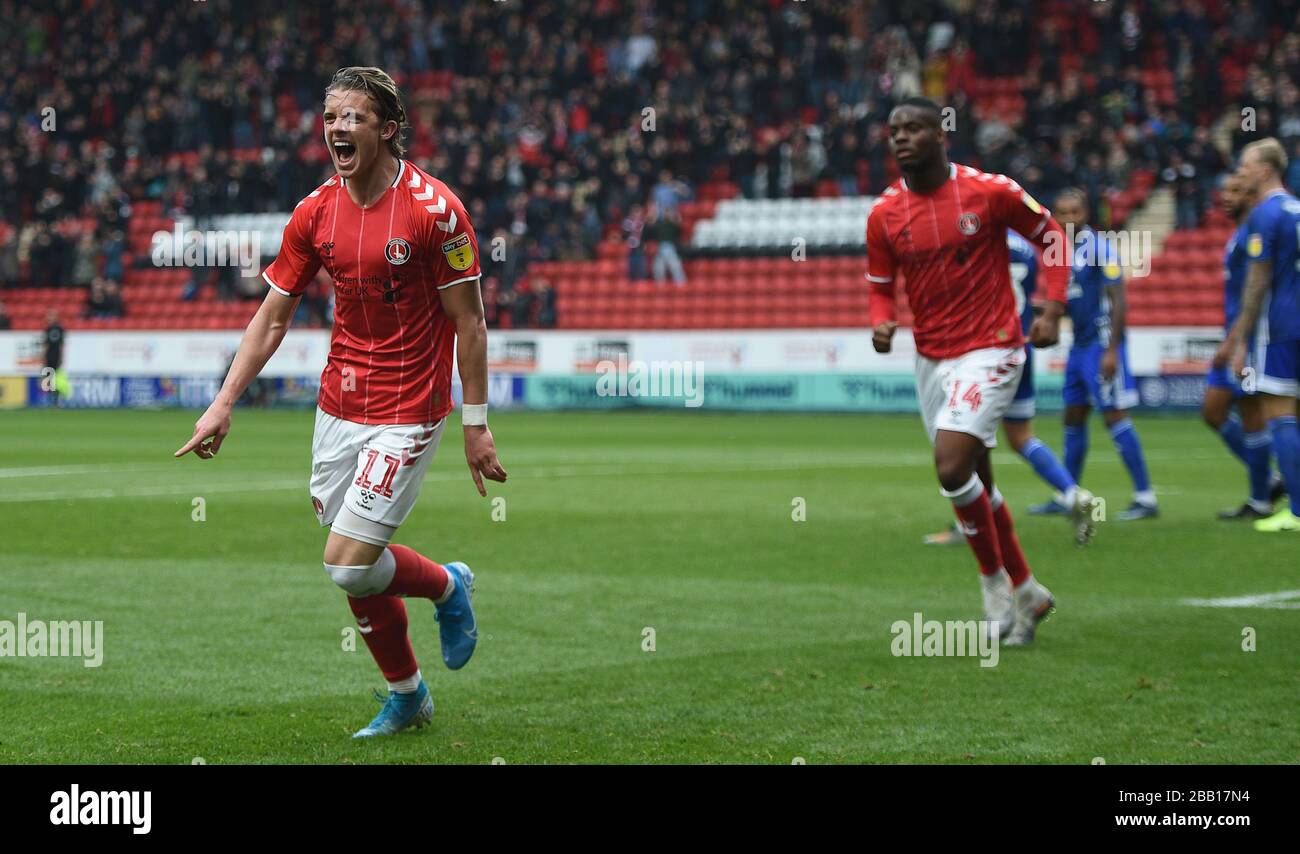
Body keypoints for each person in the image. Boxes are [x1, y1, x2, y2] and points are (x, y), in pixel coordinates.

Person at [175, 66, 508, 736]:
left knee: (344, 562)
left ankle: (445, 590)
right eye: (331, 118)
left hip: (409, 407)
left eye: (353, 118)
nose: (338, 129)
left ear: (388, 129)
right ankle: (412, 686)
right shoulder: (315, 213)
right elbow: (272, 317)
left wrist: (476, 424)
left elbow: (469, 321)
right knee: (355, 570)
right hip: (338, 404)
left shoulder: (435, 211)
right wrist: (223, 403)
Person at [867, 97, 1068, 646]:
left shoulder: (990, 191)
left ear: (941, 134)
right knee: (978, 477)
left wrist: (1052, 309)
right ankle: (1028, 590)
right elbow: (881, 287)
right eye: (895, 131)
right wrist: (882, 323)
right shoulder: (884, 214)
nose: (902, 138)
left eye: (914, 128)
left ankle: (993, 583)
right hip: (932, 358)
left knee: (951, 466)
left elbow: (1052, 237)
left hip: (993, 347)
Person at [924, 230, 1097, 546]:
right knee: (1021, 437)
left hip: (980, 352)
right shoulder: (1025, 247)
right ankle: (1071, 493)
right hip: (1019, 347)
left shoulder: (971, 240)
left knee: (966, 438)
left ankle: (973, 524)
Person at [1031, 188, 1158, 521]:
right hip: (1079, 345)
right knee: (1072, 417)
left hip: (1101, 344)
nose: (1069, 219)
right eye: (1062, 213)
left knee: (1114, 415)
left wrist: (1113, 350)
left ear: (1085, 214)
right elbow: (1069, 299)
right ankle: (1067, 493)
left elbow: (1119, 300)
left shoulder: (1099, 248)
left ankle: (1145, 497)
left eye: (1074, 212)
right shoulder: (1057, 250)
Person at [1217, 137, 1300, 532]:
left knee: (1279, 413)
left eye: (1246, 165)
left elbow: (1257, 281)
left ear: (1265, 170)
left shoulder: (1265, 215)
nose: (1242, 171)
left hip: (1281, 325)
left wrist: (1239, 341)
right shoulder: (1296, 208)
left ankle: (1295, 510)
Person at [1203, 173, 1285, 519]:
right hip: (1235, 335)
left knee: (1251, 414)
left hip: (1248, 339)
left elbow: (1257, 291)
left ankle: (1261, 499)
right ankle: (1270, 480)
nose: (1227, 197)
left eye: (1235, 191)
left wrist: (1238, 340)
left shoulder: (1254, 231)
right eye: (1225, 190)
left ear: (1251, 196)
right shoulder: (1238, 234)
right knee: (1214, 412)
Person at [42, 308, 69, 405]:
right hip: (49, 356)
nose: (49, 318)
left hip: (56, 356)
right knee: (49, 378)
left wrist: (62, 357)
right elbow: (46, 345)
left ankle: (57, 399)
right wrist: (44, 357)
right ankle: (51, 399)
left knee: (56, 379)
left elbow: (61, 345)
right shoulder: (47, 329)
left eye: (51, 316)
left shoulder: (60, 329)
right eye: (49, 316)